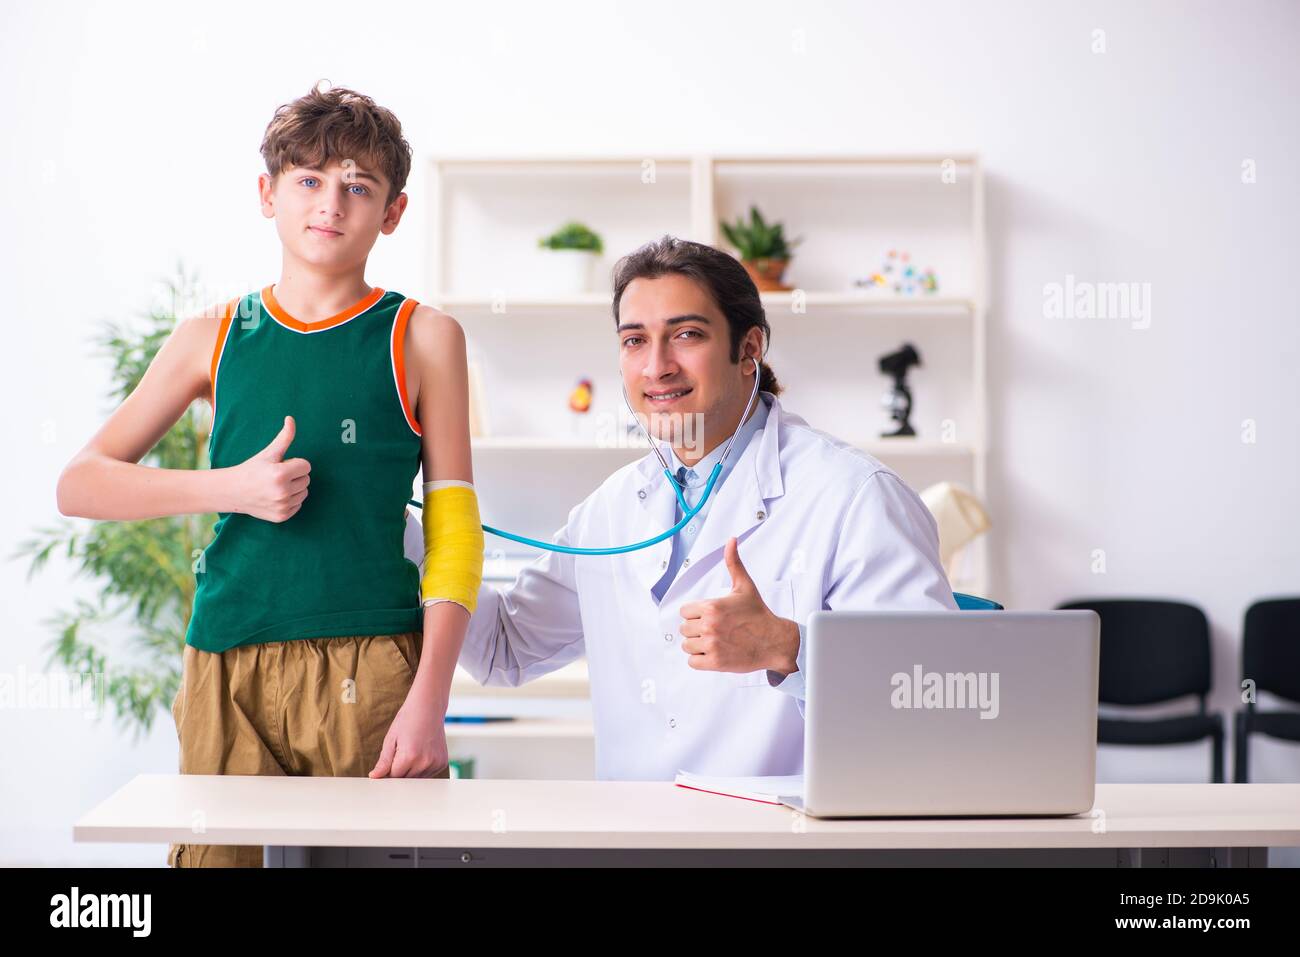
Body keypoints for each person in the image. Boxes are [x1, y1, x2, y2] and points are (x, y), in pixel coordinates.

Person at [55, 83, 483, 866]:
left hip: (374, 661)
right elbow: (80, 482)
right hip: (227, 660)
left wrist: (432, 699)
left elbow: (455, 530)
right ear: (268, 193)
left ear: (392, 211)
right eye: (310, 181)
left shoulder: (425, 337)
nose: (331, 204)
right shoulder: (209, 337)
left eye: (359, 187)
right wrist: (229, 489)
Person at [459, 235, 957, 781]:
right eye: (634, 341)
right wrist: (388, 517)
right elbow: (503, 650)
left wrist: (789, 648)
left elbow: (928, 699)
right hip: (632, 840)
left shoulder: (855, 495)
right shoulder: (611, 509)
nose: (656, 367)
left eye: (686, 335)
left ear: (749, 349)